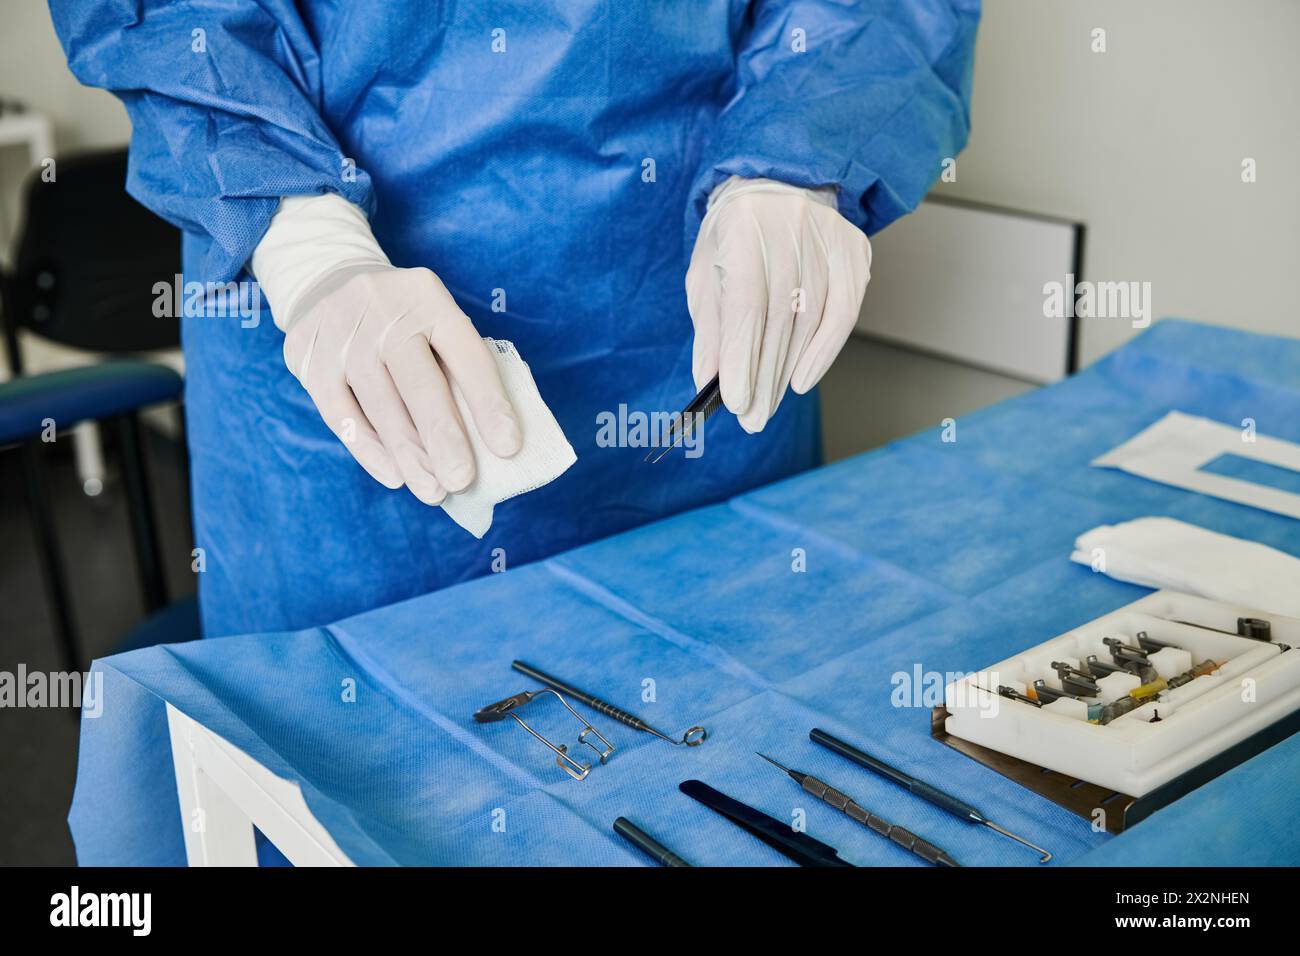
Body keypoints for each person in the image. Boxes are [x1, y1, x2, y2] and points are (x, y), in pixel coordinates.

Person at [51, 1, 980, 639]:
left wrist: (798, 155)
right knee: (363, 779)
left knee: (722, 751)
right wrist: (306, 242)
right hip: (345, 381)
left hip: (686, 335)